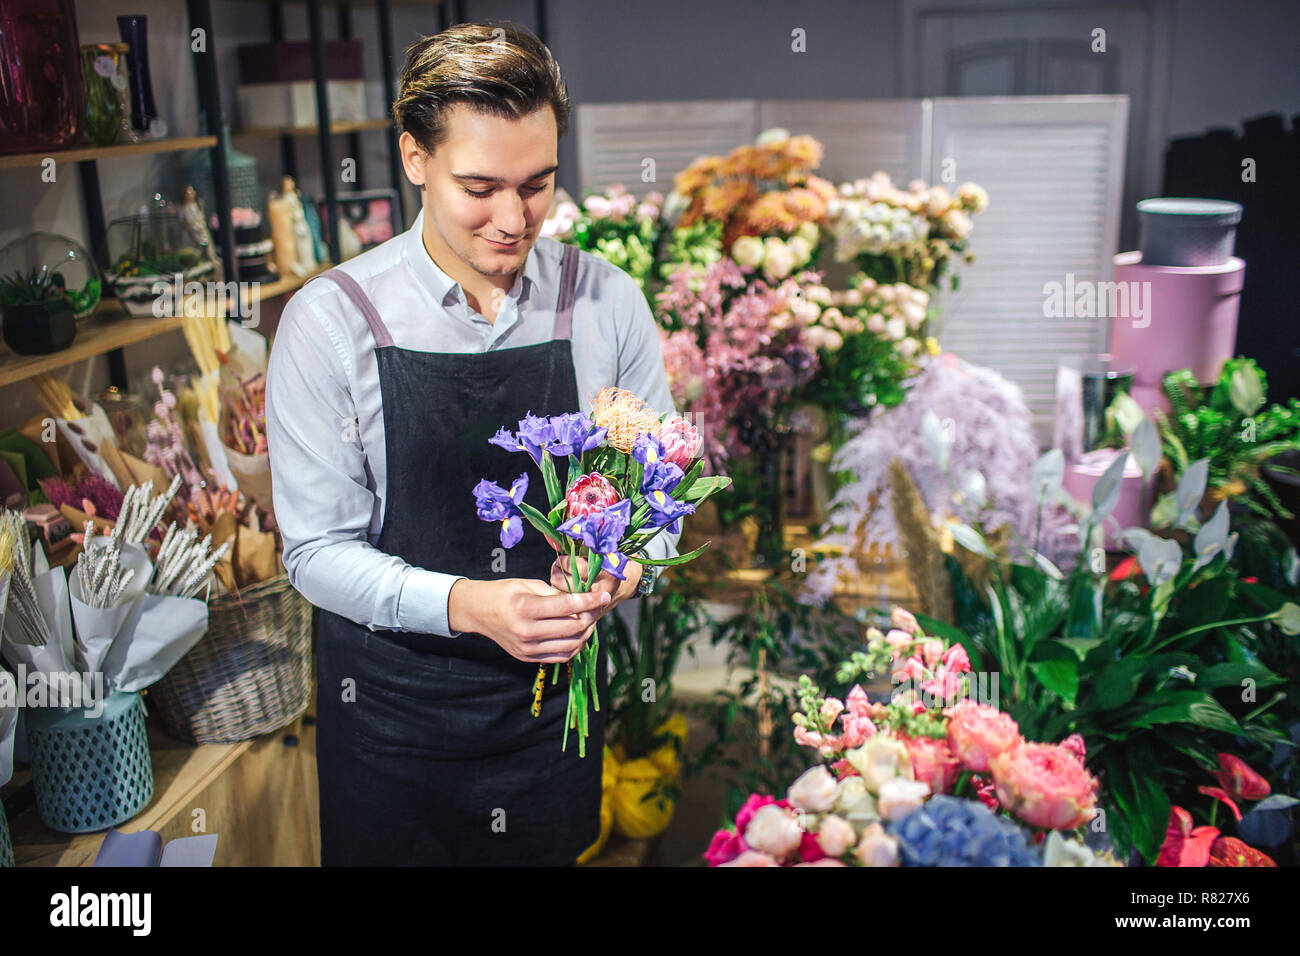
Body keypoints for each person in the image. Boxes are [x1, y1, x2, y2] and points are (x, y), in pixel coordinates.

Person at [265, 22, 679, 866]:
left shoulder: (604, 303)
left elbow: (659, 510)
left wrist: (620, 569)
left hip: (548, 719)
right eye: (480, 186)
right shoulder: (335, 320)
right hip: (390, 724)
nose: (512, 219)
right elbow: (313, 552)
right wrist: (469, 606)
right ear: (415, 158)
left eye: (537, 185)